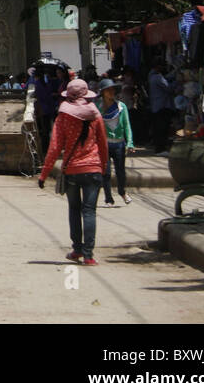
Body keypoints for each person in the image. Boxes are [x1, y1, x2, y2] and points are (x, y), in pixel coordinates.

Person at [38, 78, 110, 266]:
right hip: (93, 168)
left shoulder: (63, 117)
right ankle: (88, 255)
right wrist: (103, 168)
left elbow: (54, 148)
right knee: (89, 211)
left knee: (74, 209)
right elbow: (103, 144)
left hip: (71, 169)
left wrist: (44, 174)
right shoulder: (96, 116)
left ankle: (77, 249)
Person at [98, 78, 133, 207]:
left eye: (112, 90)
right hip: (104, 144)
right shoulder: (97, 108)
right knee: (105, 172)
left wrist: (130, 142)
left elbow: (127, 125)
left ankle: (122, 192)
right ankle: (108, 199)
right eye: (108, 90)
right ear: (103, 92)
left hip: (119, 144)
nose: (111, 92)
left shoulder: (121, 107)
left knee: (120, 171)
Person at [147, 60, 174, 155]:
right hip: (162, 106)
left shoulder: (151, 76)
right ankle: (161, 149)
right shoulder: (158, 77)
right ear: (158, 67)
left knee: (158, 128)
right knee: (162, 128)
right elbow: (169, 88)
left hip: (156, 106)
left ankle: (159, 148)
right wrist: (177, 82)